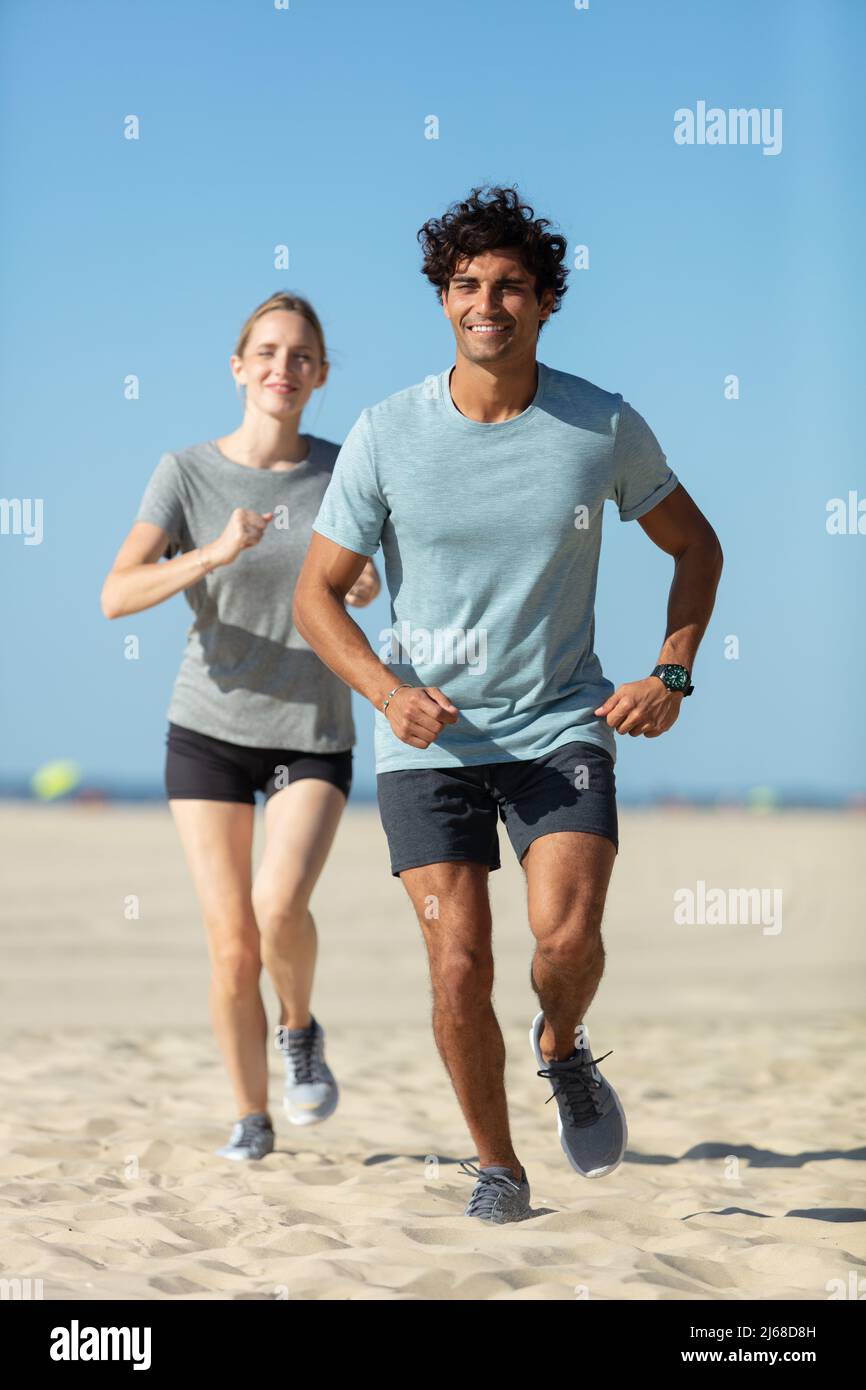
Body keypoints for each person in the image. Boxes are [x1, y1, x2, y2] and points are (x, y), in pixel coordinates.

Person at [293, 186, 723, 1223]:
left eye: (510, 287)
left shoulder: (597, 426)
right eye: (467, 285)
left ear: (543, 303)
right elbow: (315, 595)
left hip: (559, 724)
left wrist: (669, 672)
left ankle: (562, 1045)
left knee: (562, 945)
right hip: (426, 745)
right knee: (456, 963)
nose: (488, 302)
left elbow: (695, 547)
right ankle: (499, 1165)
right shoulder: (386, 433)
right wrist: (388, 694)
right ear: (443, 298)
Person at [101, 292, 380, 1160]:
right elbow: (117, 593)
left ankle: (299, 1026)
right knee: (230, 948)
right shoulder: (184, 473)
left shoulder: (344, 470)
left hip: (312, 726)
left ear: (321, 375)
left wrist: (364, 585)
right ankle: (251, 1117)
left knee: (277, 905)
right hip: (209, 727)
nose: (282, 369)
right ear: (238, 366)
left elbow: (370, 576)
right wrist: (213, 552)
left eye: (301, 357)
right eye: (266, 352)